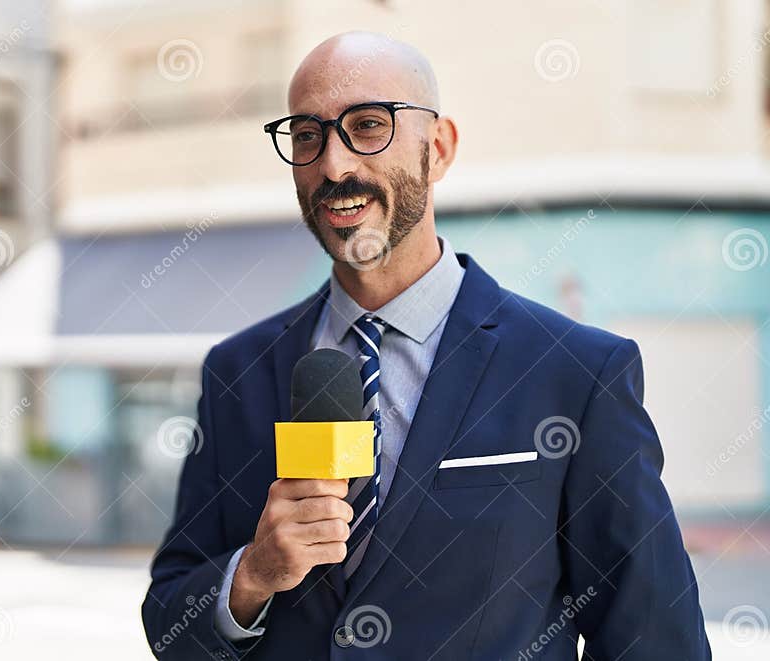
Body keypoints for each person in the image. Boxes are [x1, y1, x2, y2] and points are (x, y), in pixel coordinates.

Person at [142, 31, 711, 660]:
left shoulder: (575, 374)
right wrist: (251, 576)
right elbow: (170, 616)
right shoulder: (237, 372)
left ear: (437, 149)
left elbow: (654, 637)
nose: (334, 165)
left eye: (367, 126)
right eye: (307, 136)